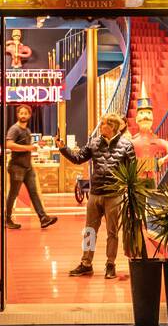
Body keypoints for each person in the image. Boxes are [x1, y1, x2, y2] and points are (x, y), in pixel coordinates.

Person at [58, 112, 136, 280]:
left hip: (114, 195)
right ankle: (86, 264)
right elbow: (78, 159)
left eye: (104, 124)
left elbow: (132, 172)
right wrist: (63, 148)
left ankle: (110, 264)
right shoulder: (93, 143)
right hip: (95, 194)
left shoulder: (126, 145)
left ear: (113, 127)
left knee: (112, 232)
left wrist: (131, 195)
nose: (101, 127)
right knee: (89, 231)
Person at [4, 104, 58, 230]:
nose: (23, 115)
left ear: (29, 115)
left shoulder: (27, 131)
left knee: (34, 192)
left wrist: (34, 145)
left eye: (25, 113)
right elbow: (9, 144)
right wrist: (29, 147)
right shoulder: (15, 129)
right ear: (17, 115)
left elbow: (22, 146)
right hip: (17, 167)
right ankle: (7, 219)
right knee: (13, 193)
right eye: (21, 113)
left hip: (27, 167)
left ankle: (43, 218)